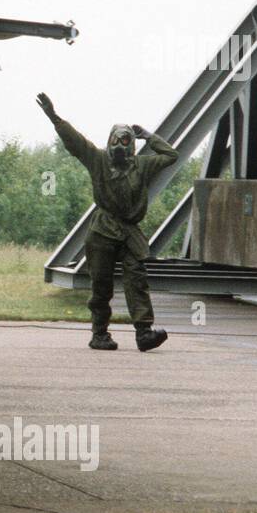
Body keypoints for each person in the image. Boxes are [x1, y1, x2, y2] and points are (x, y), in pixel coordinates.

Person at [37, 93, 176, 352]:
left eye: (126, 140)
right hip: (102, 232)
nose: (121, 145)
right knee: (101, 284)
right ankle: (99, 334)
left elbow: (171, 155)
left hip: (129, 232)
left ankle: (144, 333)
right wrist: (54, 117)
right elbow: (76, 142)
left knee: (137, 279)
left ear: (132, 145)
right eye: (117, 140)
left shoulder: (142, 165)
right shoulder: (98, 160)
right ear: (110, 141)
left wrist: (149, 136)